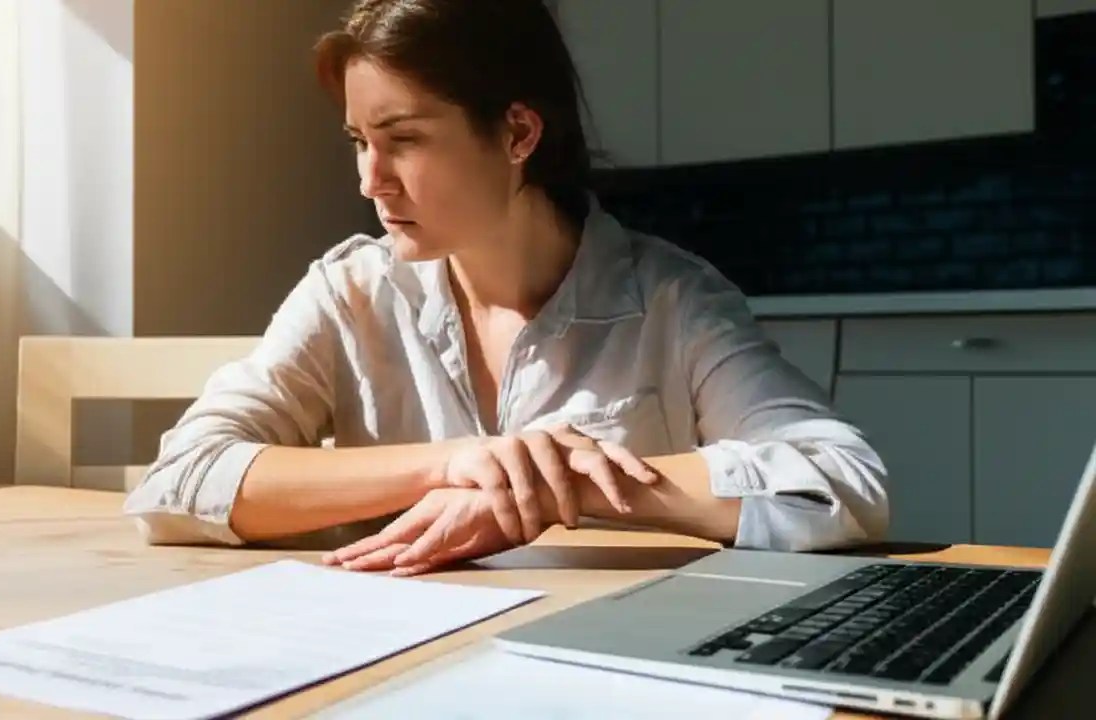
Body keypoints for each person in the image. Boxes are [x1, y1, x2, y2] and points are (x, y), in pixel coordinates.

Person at [123, 0, 889, 576]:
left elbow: (842, 483)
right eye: (360, 141)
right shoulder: (349, 290)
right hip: (383, 661)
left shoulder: (672, 301)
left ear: (520, 134)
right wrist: (458, 462)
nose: (370, 180)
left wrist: (559, 488)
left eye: (405, 140)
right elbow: (180, 482)